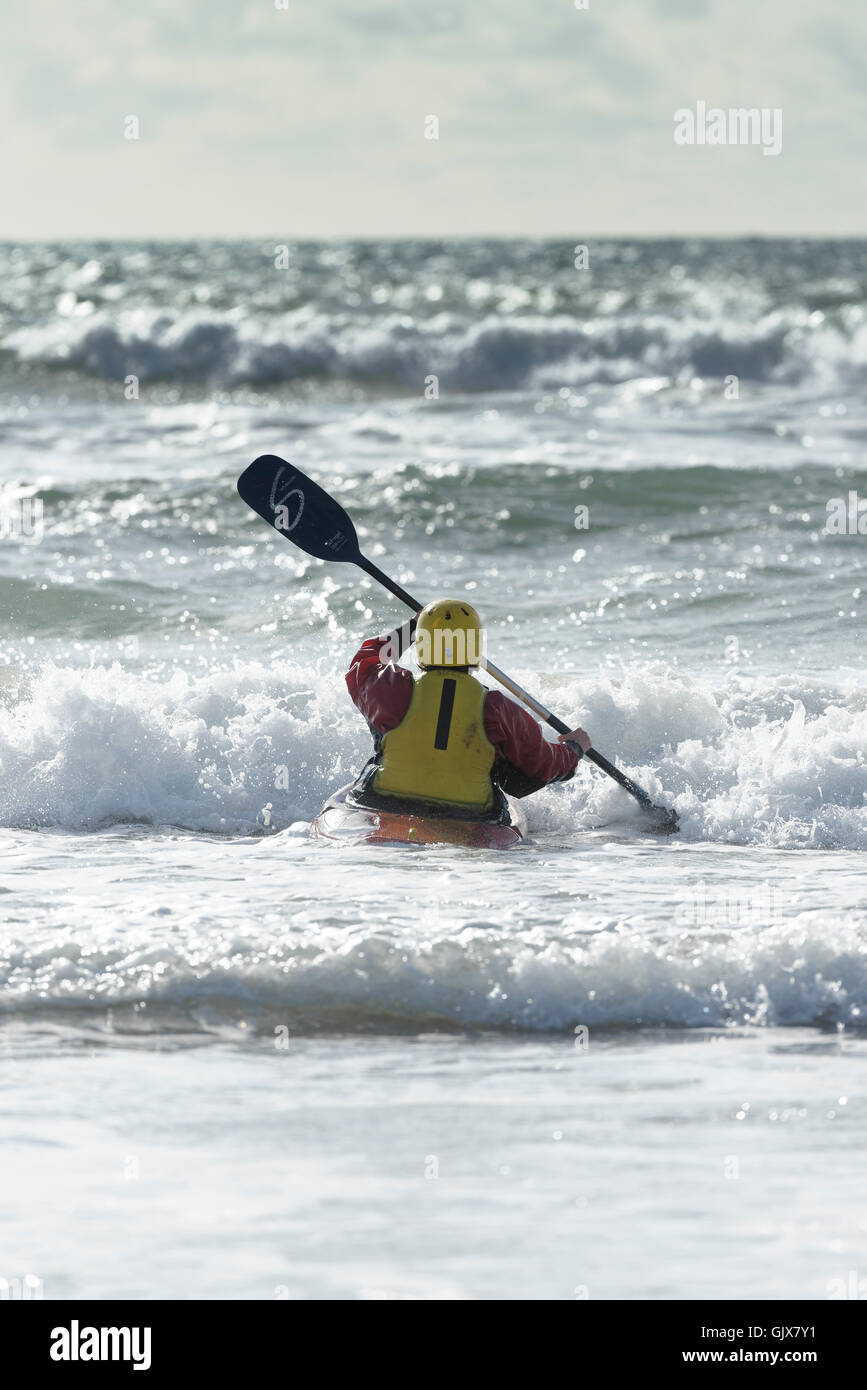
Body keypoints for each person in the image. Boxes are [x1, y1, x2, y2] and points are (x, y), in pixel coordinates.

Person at [344, 598, 591, 816]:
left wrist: (411, 628)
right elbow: (542, 764)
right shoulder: (497, 707)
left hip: (385, 801)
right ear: (474, 648)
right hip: (470, 814)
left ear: (421, 644)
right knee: (514, 772)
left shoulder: (392, 688)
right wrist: (573, 749)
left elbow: (365, 659)